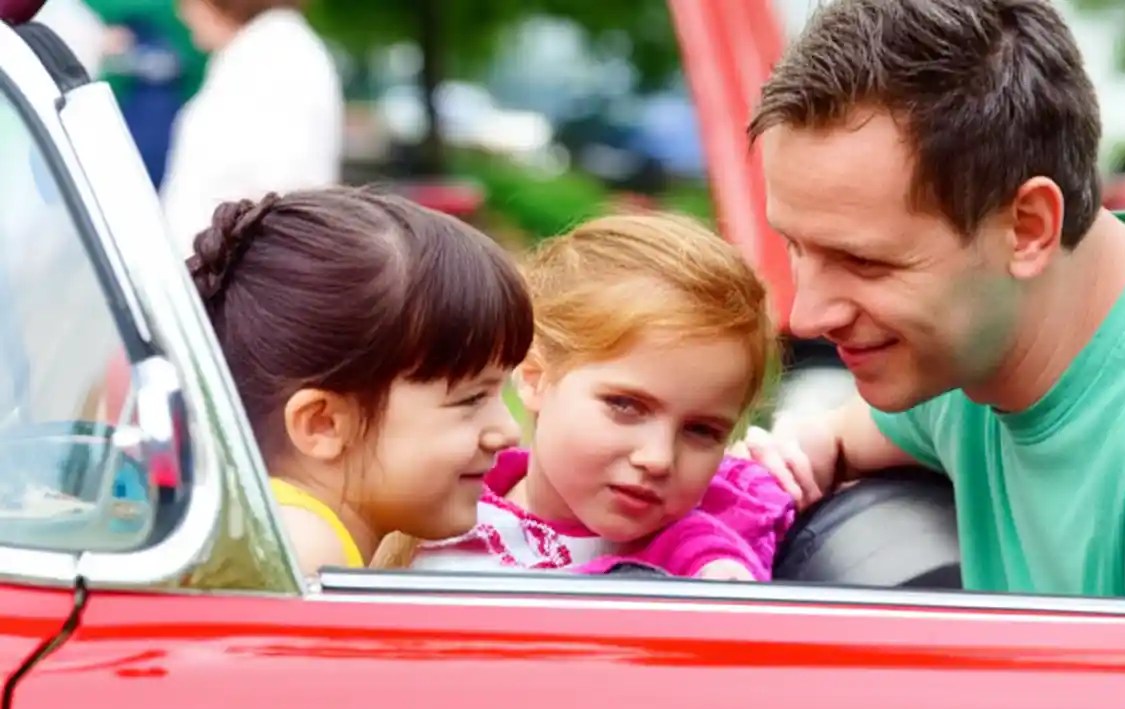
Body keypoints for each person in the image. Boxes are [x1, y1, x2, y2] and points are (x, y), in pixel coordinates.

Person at [739, 0, 1125, 601]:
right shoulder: (972, 353)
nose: (807, 316)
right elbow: (847, 434)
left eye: (864, 262)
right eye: (795, 246)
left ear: (1027, 227)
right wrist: (807, 447)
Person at [377, 214, 794, 580]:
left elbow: (711, 562)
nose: (658, 457)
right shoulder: (426, 504)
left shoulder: (696, 552)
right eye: (626, 406)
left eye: (702, 430)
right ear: (536, 378)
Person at [187, 187, 532, 575]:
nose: (509, 430)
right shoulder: (303, 548)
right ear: (324, 423)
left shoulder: (273, 527)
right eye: (471, 399)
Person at [162, 0, 342, 255]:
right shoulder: (257, 52)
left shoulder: (277, 58)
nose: (181, 12)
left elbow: (282, 196)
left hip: (236, 283)